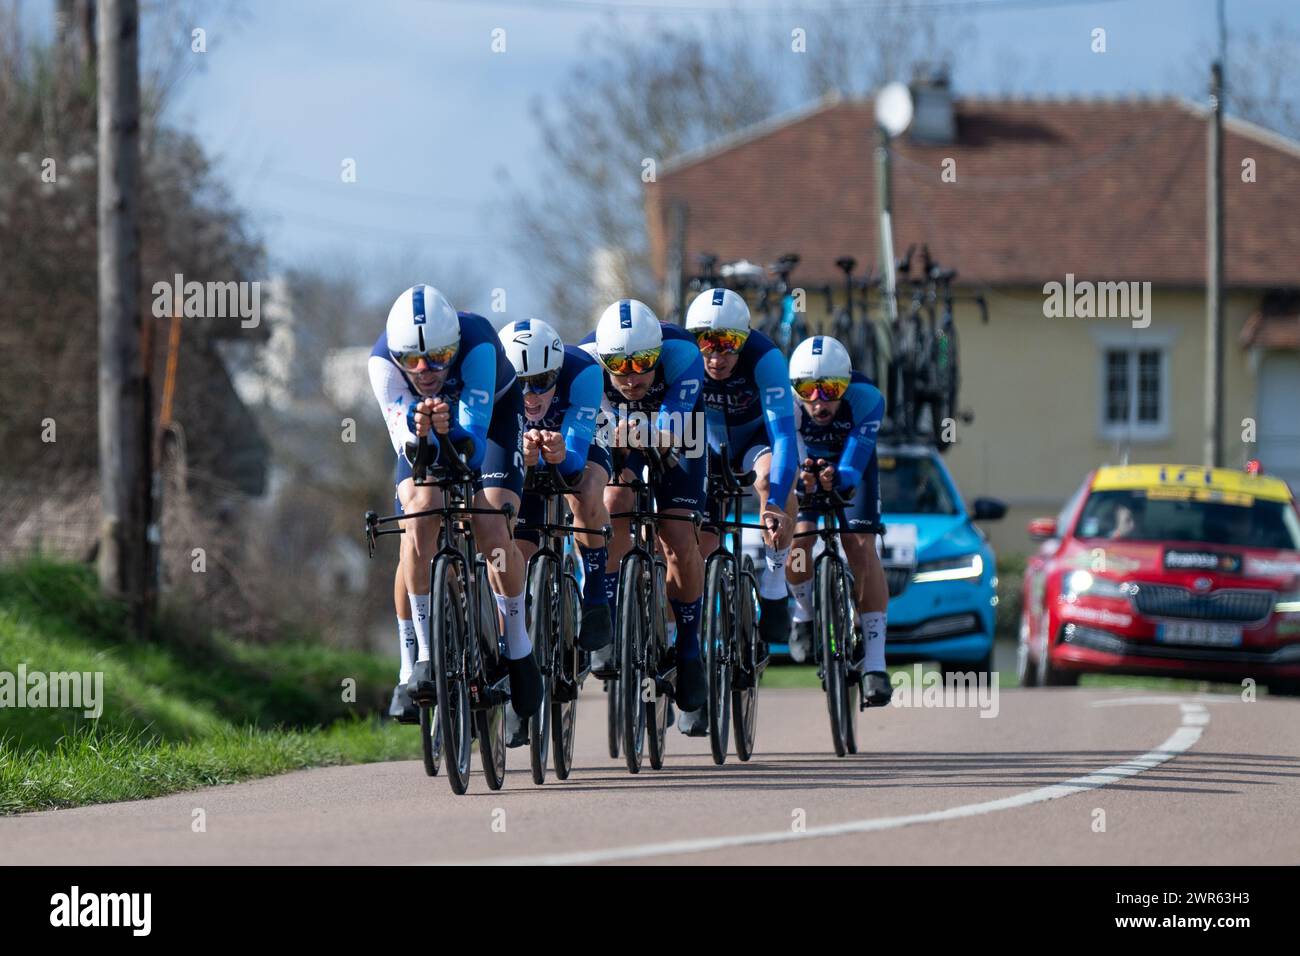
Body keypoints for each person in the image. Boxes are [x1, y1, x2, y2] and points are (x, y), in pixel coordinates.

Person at [368, 284, 542, 726]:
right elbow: (410, 449)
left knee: (492, 522)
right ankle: (418, 659)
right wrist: (419, 425)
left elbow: (472, 446)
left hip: (492, 420)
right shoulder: (381, 362)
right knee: (418, 515)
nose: (426, 371)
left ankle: (518, 648)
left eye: (440, 357)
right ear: (398, 357)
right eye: (414, 361)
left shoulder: (480, 342)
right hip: (423, 434)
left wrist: (449, 432)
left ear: (455, 347)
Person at [678, 287, 798, 736]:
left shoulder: (765, 359)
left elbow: (785, 437)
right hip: (703, 447)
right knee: (697, 551)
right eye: (706, 341)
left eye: (728, 342)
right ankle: (692, 661)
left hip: (754, 444)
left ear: (744, 339)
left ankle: (773, 581)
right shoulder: (686, 360)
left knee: (772, 483)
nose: (716, 353)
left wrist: (775, 499)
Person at [580, 299, 708, 715]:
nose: (632, 377)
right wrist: (614, 435)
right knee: (614, 500)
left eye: (643, 364)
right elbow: (584, 426)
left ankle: (689, 651)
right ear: (603, 358)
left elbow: (672, 427)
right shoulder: (584, 362)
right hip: (615, 429)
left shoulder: (684, 354)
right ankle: (612, 622)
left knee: (677, 535)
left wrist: (650, 431)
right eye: (619, 366)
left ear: (659, 354)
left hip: (677, 429)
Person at [785, 335, 892, 707]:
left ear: (846, 384)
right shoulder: (785, 403)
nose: (819, 401)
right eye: (808, 390)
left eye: (831, 389)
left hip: (851, 469)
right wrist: (803, 478)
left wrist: (838, 478)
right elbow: (788, 452)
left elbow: (855, 461)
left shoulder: (867, 398)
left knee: (860, 547)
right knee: (798, 541)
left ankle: (876, 663)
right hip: (805, 468)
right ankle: (803, 612)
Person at [498, 318, 615, 653]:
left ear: (557, 371)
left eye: (541, 382)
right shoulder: (498, 386)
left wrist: (559, 453)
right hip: (528, 450)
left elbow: (576, 460)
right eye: (520, 384)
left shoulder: (583, 371)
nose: (531, 397)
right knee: (517, 546)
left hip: (581, 440)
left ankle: (595, 596)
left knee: (586, 490)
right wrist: (523, 457)